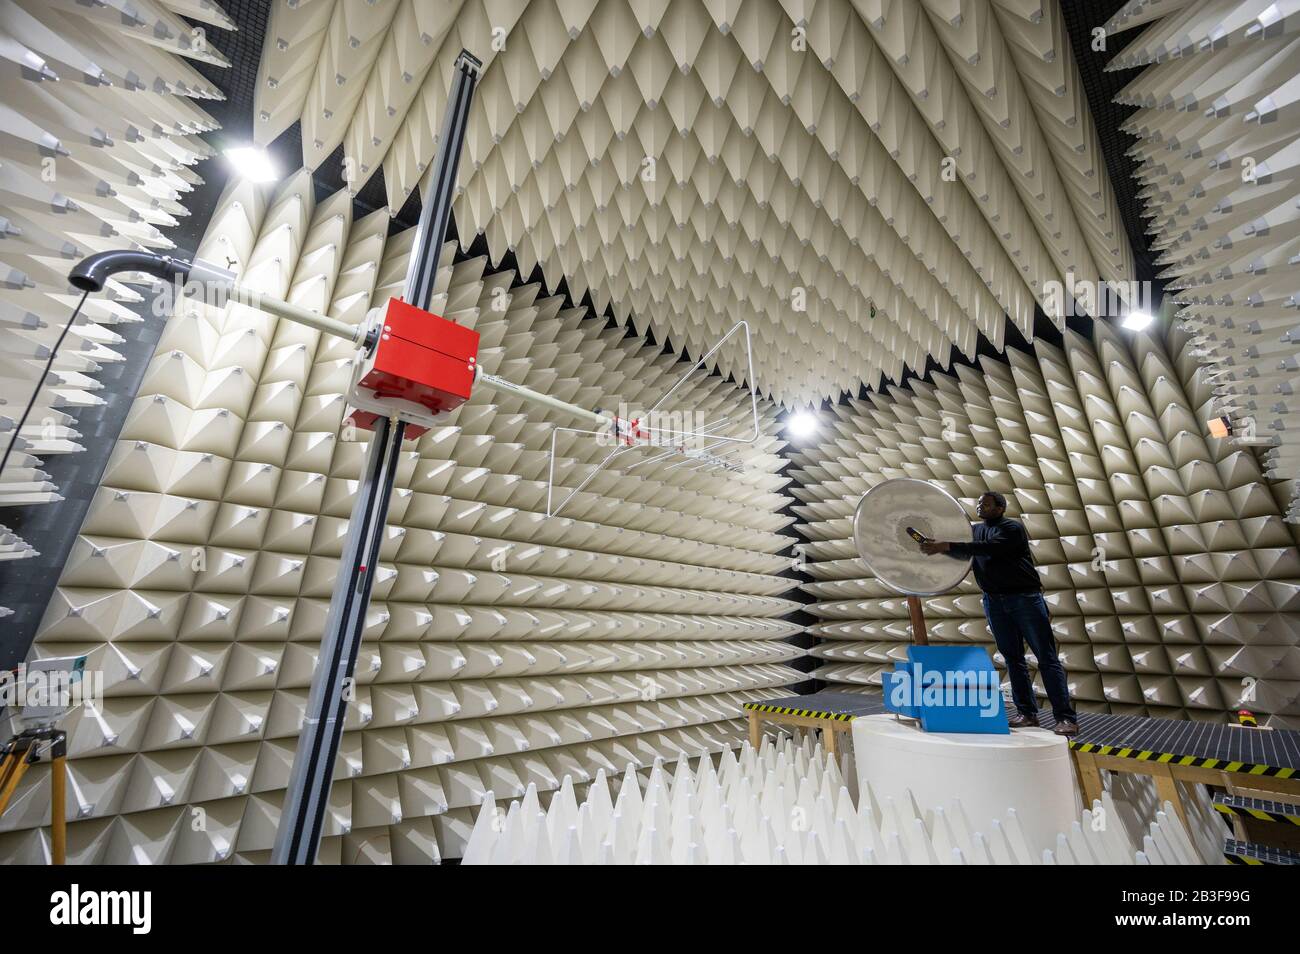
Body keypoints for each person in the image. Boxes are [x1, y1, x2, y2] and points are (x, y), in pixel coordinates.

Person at [918, 491, 1078, 736]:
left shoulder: (1012, 528)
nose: (980, 506)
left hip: (1024, 598)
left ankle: (1065, 718)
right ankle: (1027, 714)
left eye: (986, 503)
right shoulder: (975, 530)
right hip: (994, 602)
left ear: (1001, 508)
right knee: (1013, 659)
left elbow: (989, 548)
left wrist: (946, 545)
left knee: (1046, 658)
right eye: (978, 502)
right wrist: (937, 546)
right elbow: (965, 551)